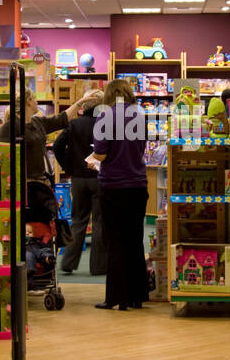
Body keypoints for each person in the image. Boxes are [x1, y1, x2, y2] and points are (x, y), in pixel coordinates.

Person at [87, 79, 149, 310]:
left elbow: (101, 154)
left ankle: (116, 297)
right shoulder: (139, 114)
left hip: (113, 186)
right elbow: (141, 148)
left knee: (114, 241)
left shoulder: (106, 115)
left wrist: (95, 159)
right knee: (135, 240)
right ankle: (136, 295)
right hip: (138, 185)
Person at [8, 87, 103, 229]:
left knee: (65, 223)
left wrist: (67, 166)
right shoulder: (13, 126)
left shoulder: (40, 123)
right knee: (99, 222)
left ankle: (58, 251)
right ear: (28, 102)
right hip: (29, 184)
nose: (37, 101)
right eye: (34, 98)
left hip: (55, 182)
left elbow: (60, 125)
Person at [53, 101, 106, 276]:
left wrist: (67, 167)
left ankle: (68, 263)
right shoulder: (104, 124)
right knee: (99, 222)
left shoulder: (74, 124)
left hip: (77, 178)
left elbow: (57, 146)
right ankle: (98, 266)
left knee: (78, 221)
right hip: (99, 178)